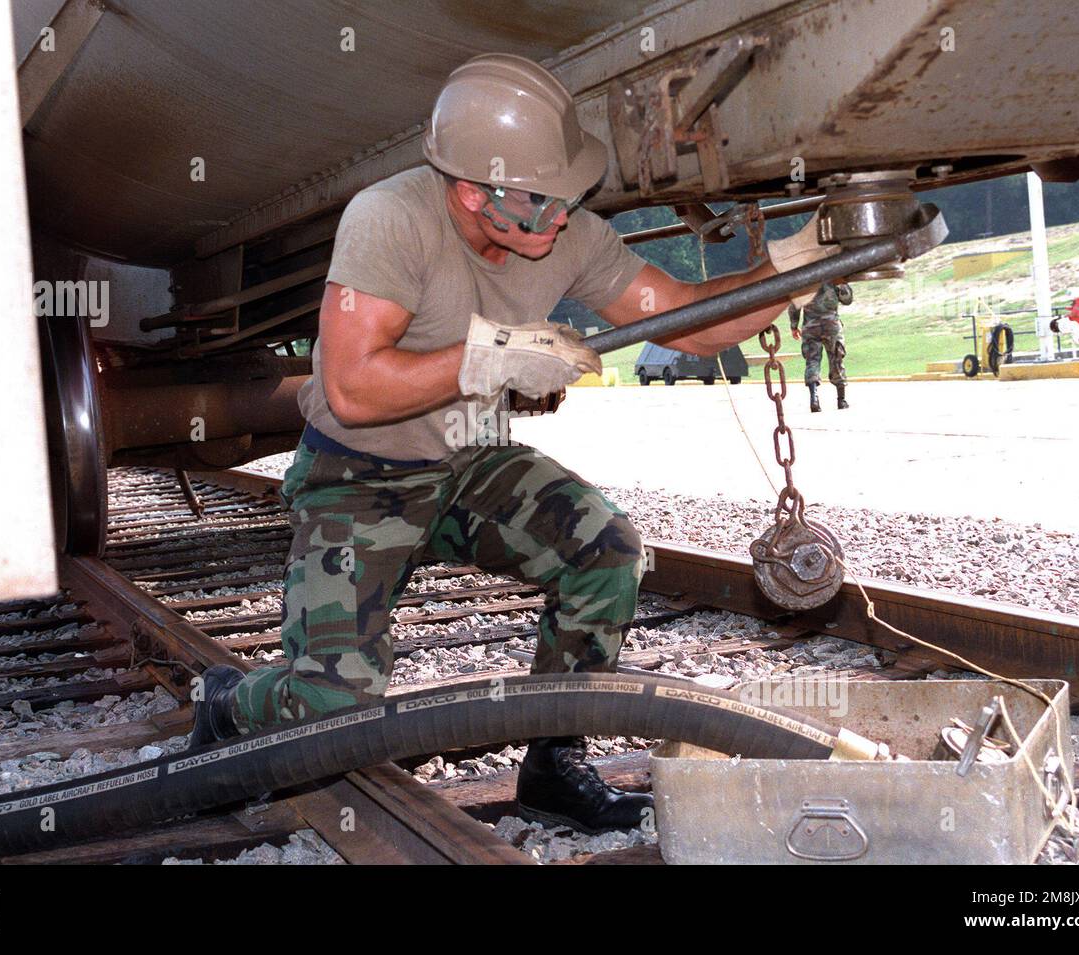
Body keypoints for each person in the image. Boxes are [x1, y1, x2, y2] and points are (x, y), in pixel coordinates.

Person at [191, 53, 837, 834]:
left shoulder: (568, 232)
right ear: (472, 191)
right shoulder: (389, 220)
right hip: (359, 474)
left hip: (468, 462)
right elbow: (352, 389)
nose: (563, 218)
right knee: (334, 708)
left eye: (569, 199)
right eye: (545, 202)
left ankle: (552, 763)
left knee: (607, 550)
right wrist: (487, 355)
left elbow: (687, 322)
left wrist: (794, 269)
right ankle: (230, 704)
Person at [789, 280, 852, 411]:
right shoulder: (835, 274)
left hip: (811, 326)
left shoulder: (804, 277)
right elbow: (847, 299)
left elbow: (795, 305)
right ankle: (841, 400)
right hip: (831, 325)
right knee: (837, 359)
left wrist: (794, 326)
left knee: (812, 361)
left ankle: (814, 400)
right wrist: (842, 284)